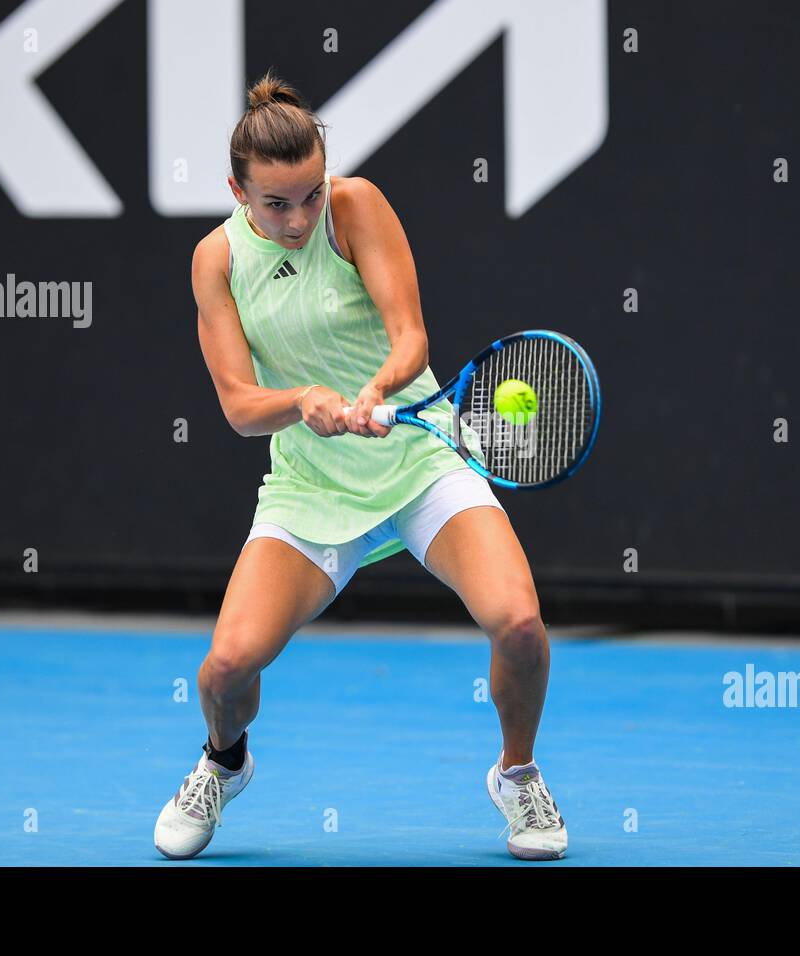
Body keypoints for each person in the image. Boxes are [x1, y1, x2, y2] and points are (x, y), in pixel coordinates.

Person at [153, 69, 566, 861]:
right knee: (224, 670)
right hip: (310, 486)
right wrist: (302, 398)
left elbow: (410, 336)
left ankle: (518, 774)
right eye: (276, 203)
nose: (300, 217)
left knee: (519, 625)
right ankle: (223, 761)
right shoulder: (215, 262)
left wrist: (377, 389)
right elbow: (238, 404)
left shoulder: (356, 206)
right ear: (237, 192)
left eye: (311, 194)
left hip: (418, 458)